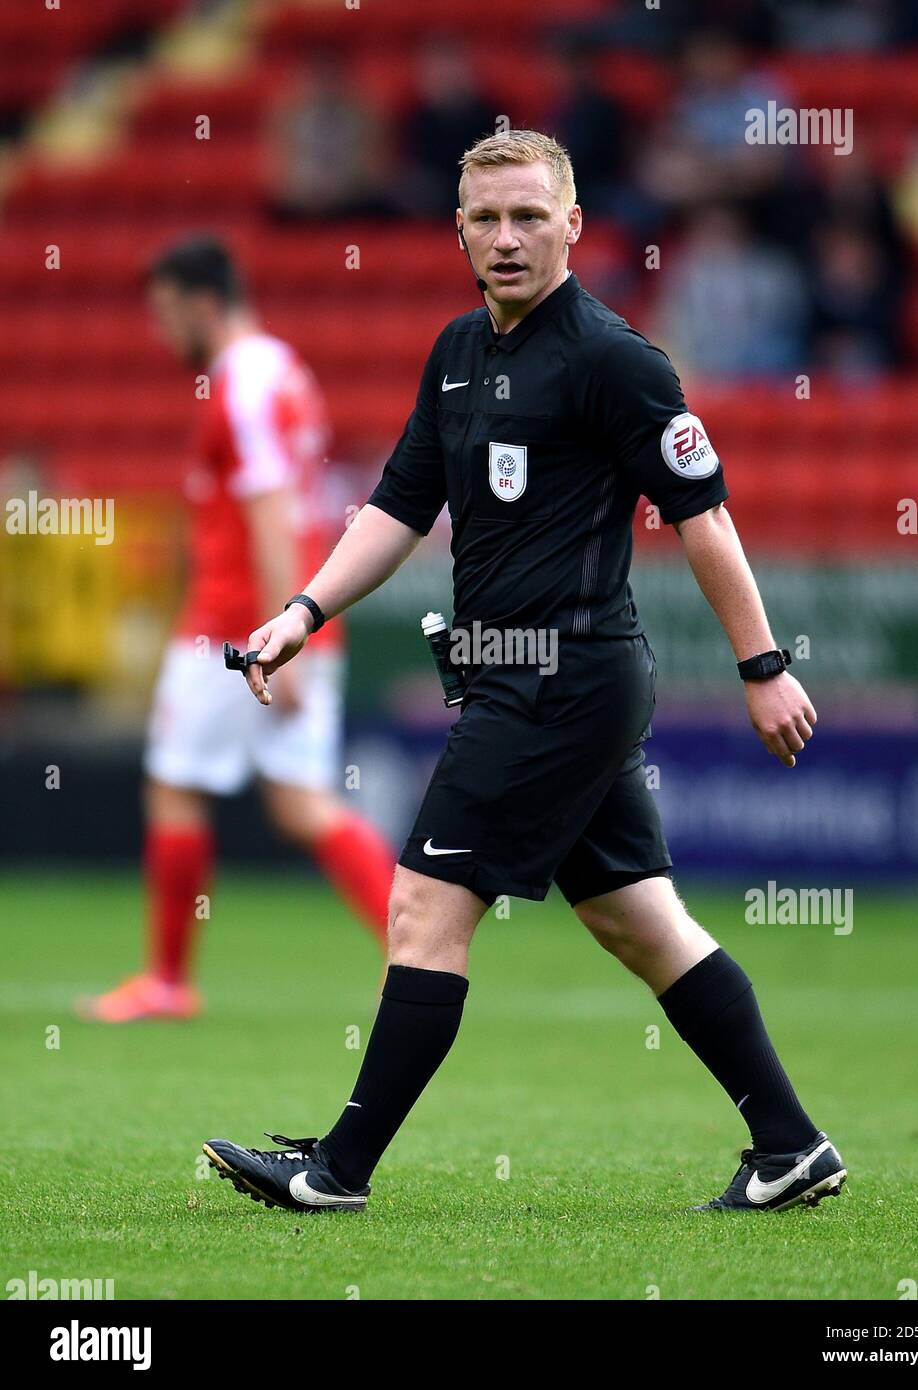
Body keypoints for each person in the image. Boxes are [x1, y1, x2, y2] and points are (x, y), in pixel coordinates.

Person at [203, 134, 845, 1213]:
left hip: (559, 676)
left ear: (572, 226)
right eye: (485, 219)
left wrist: (762, 665)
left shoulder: (612, 358)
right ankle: (789, 1145)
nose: (505, 238)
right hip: (525, 676)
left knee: (421, 909)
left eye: (527, 218)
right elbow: (398, 507)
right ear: (457, 228)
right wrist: (302, 610)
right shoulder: (455, 349)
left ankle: (335, 1171)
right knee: (638, 920)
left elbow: (703, 517)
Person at [78, 237, 393, 1023]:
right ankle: (421, 955)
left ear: (203, 302)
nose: (159, 330)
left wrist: (278, 637)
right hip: (296, 617)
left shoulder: (244, 382)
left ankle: (168, 980)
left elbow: (270, 507)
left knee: (176, 787)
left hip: (234, 625)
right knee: (302, 805)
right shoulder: (281, 368)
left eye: (164, 311)